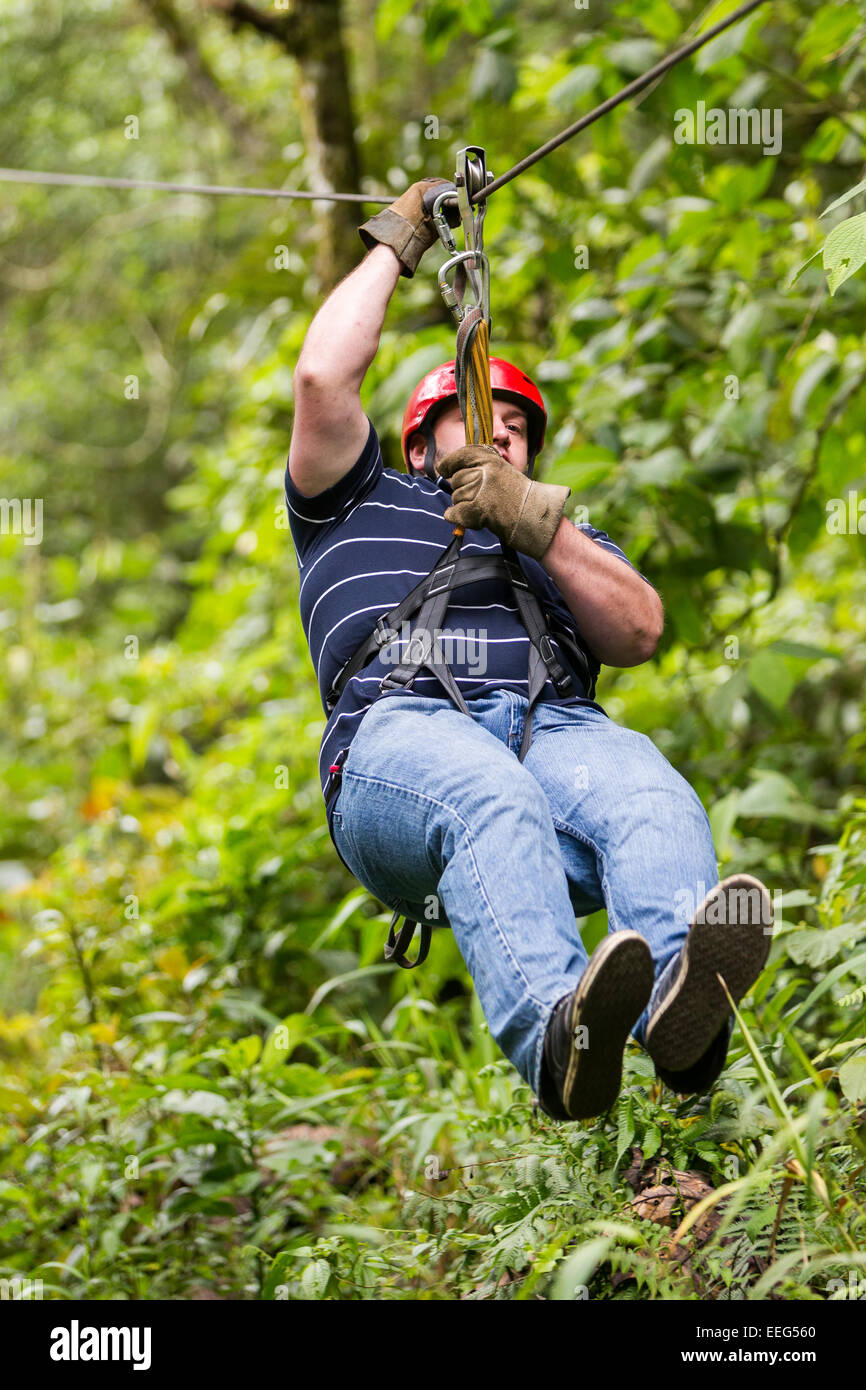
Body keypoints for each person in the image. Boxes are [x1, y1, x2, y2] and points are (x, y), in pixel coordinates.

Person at [285, 177, 773, 1122]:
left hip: (555, 732)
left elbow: (640, 628)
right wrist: (401, 237)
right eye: (484, 422)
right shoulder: (357, 499)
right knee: (485, 792)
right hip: (398, 744)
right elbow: (320, 379)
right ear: (422, 445)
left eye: (520, 434)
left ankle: (681, 1012)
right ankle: (557, 1035)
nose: (505, 439)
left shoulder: (556, 537)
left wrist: (538, 527)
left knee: (647, 789)